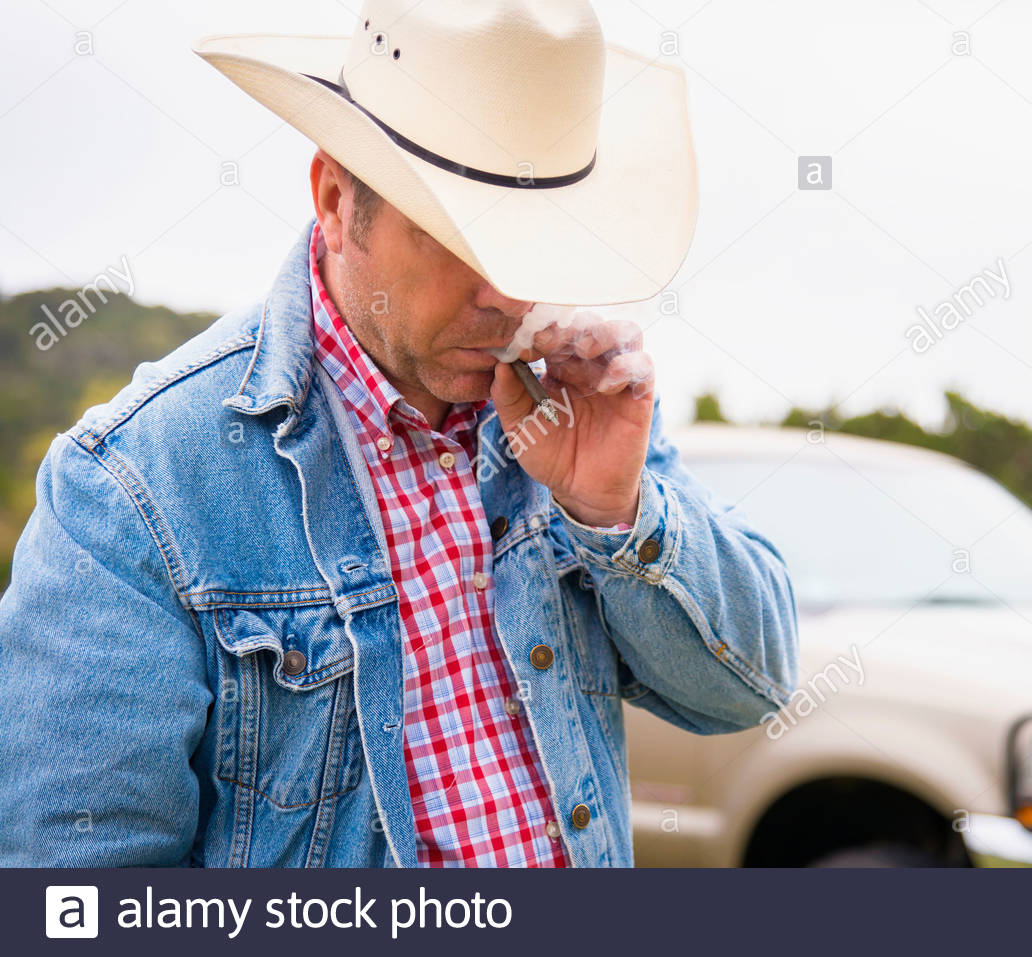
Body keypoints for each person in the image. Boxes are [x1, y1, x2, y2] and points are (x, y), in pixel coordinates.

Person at [0, 0, 798, 867]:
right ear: (337, 200)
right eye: (460, 236)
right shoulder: (133, 485)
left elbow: (750, 688)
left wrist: (615, 507)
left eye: (537, 242)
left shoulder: (569, 400)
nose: (509, 296)